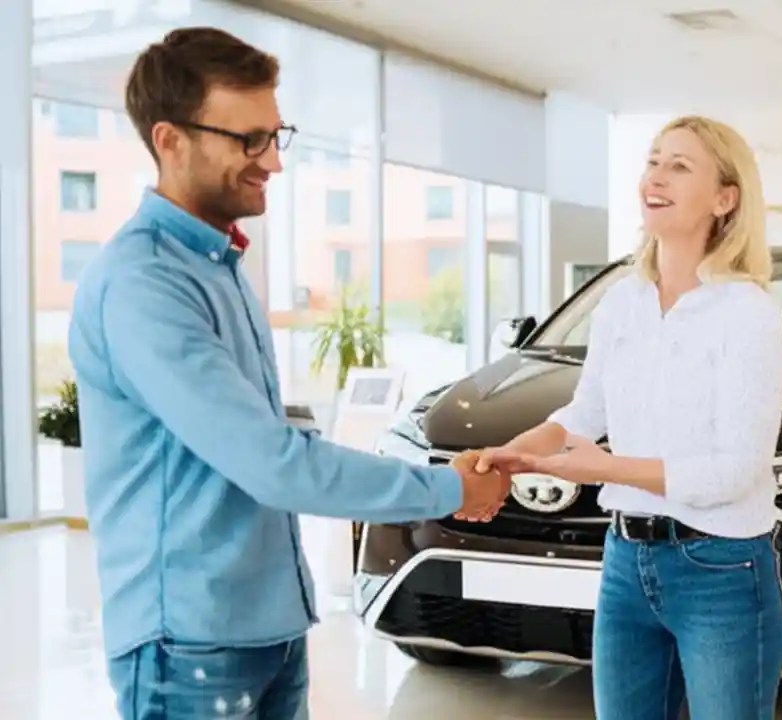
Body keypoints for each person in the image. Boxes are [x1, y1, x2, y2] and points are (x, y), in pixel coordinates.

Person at [67, 28, 509, 719]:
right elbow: (272, 463)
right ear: (169, 140)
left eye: (277, 135)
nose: (272, 161)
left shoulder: (218, 268)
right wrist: (449, 488)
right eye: (249, 139)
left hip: (264, 627)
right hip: (189, 644)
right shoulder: (144, 284)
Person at [468, 115, 782, 719]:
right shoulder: (622, 300)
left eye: (679, 165)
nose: (656, 176)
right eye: (652, 160)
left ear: (726, 199)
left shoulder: (748, 312)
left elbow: (738, 470)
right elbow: (586, 410)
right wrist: (524, 450)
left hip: (720, 568)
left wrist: (606, 468)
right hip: (625, 561)